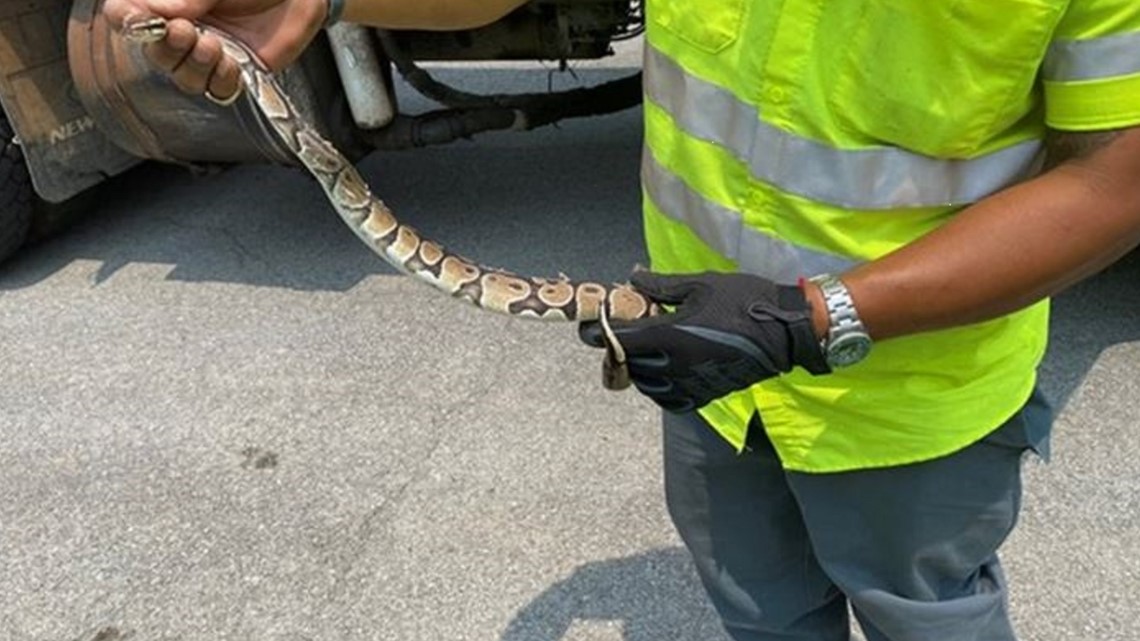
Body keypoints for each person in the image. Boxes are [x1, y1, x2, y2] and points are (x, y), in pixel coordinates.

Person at [100, 0, 1140, 639]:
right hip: (700, 364)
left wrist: (812, 316)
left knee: (929, 617)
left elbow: (1115, 181)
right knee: (762, 610)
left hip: (916, 397)